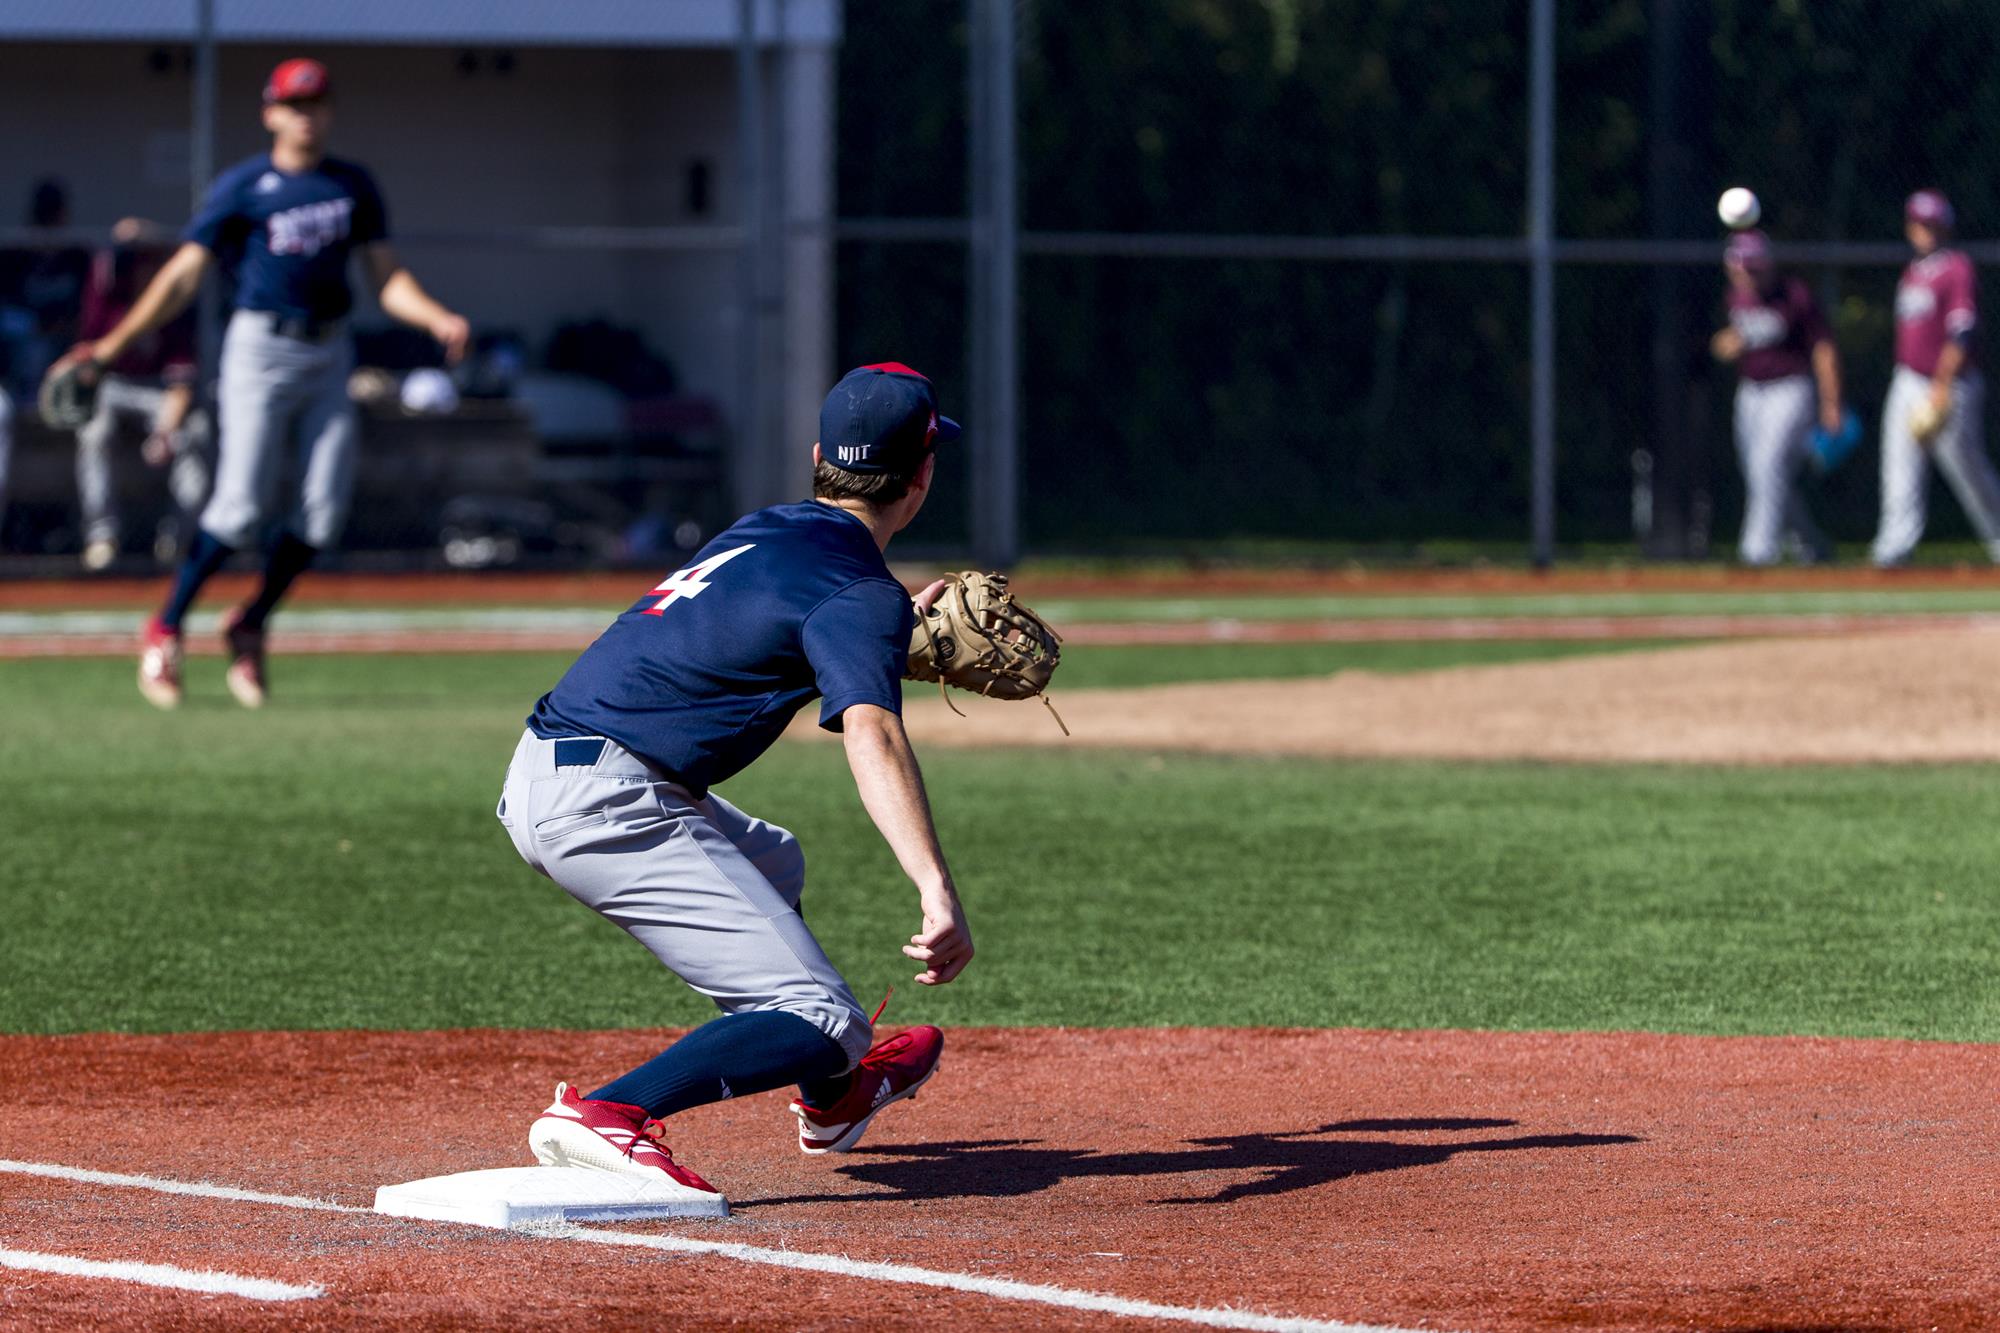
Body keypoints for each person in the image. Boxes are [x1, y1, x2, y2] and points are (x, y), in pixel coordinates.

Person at [500, 363, 971, 1206]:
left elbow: (769, 620)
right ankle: (612, 1110)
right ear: (924, 472)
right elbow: (872, 728)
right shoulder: (860, 592)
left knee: (774, 865)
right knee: (825, 1016)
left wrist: (886, 627)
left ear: (821, 455)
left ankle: (836, 1094)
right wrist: (935, 886)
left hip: (553, 767)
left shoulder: (771, 529)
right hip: (608, 800)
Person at [42, 58, 469, 707]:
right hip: (260, 349)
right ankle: (166, 625)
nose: (307, 114)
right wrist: (108, 347)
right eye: (295, 104)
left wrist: (437, 314)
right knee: (239, 506)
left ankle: (249, 621)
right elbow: (184, 274)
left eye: (317, 102)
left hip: (330, 350)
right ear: (271, 113)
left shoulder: (351, 184)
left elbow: (385, 277)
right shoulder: (246, 186)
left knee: (323, 514)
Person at [1871, 189, 2000, 567]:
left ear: (1945, 227)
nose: (1924, 230)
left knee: (1967, 468)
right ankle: (1894, 546)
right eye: (1918, 222)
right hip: (1908, 379)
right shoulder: (1913, 272)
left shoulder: (1956, 268)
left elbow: (1962, 330)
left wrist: (1943, 384)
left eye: (1931, 223)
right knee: (1898, 465)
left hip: (1950, 382)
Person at [73, 240, 212, 571]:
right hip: (113, 384)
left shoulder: (174, 306)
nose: (146, 273)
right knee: (93, 432)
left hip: (158, 391)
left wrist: (165, 432)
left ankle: (177, 541)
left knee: (195, 433)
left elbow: (181, 384)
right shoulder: (109, 296)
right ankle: (101, 536)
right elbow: (88, 361)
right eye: (140, 265)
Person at [1708, 229, 1841, 565]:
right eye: (1743, 267)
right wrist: (1726, 345)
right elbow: (1723, 344)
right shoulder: (1735, 298)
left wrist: (1831, 403)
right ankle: (1811, 545)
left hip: (1790, 389)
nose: (1749, 274)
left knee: (1768, 466)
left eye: (1755, 267)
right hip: (1751, 393)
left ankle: (1757, 553)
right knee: (1761, 475)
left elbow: (1823, 348)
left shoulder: (1793, 296)